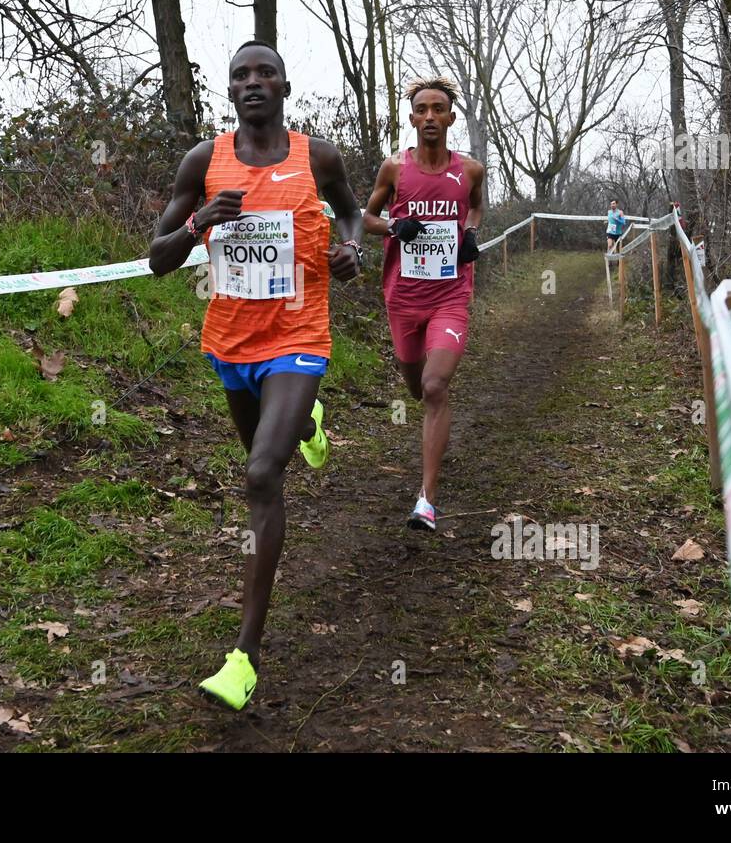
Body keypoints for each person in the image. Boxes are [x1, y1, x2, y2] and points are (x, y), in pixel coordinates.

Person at [148, 39, 364, 710]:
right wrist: (196, 225)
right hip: (231, 344)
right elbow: (155, 257)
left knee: (262, 476)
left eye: (264, 72)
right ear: (230, 91)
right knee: (263, 457)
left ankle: (243, 658)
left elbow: (351, 209)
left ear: (285, 87)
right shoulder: (202, 162)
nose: (252, 82)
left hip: (299, 336)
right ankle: (305, 421)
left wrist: (351, 245)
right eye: (241, 74)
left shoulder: (316, 157)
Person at [362, 76, 484, 531]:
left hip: (450, 295)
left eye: (439, 109)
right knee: (415, 382)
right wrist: (395, 228)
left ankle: (427, 500)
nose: (430, 116)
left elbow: (476, 208)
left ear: (451, 118)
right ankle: (422, 396)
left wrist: (470, 233)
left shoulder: (470, 170)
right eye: (422, 109)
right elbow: (366, 217)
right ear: (412, 118)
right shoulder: (394, 168)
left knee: (435, 386)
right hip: (403, 297)